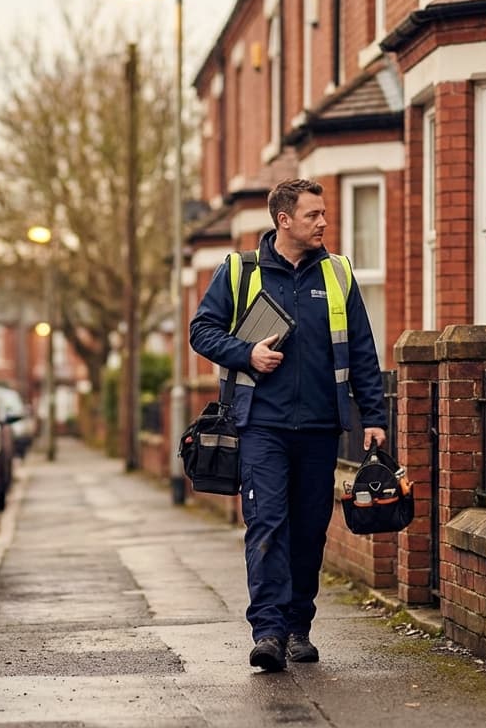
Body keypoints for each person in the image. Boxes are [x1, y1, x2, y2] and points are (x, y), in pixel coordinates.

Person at [189, 177, 387, 672]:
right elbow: (201, 331)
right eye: (312, 215)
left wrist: (374, 417)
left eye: (323, 213)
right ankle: (270, 632)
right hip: (261, 426)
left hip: (321, 429)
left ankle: (299, 628)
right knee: (267, 525)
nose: (323, 222)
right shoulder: (240, 271)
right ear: (284, 220)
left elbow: (362, 349)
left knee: (309, 532)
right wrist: (247, 353)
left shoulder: (338, 274)